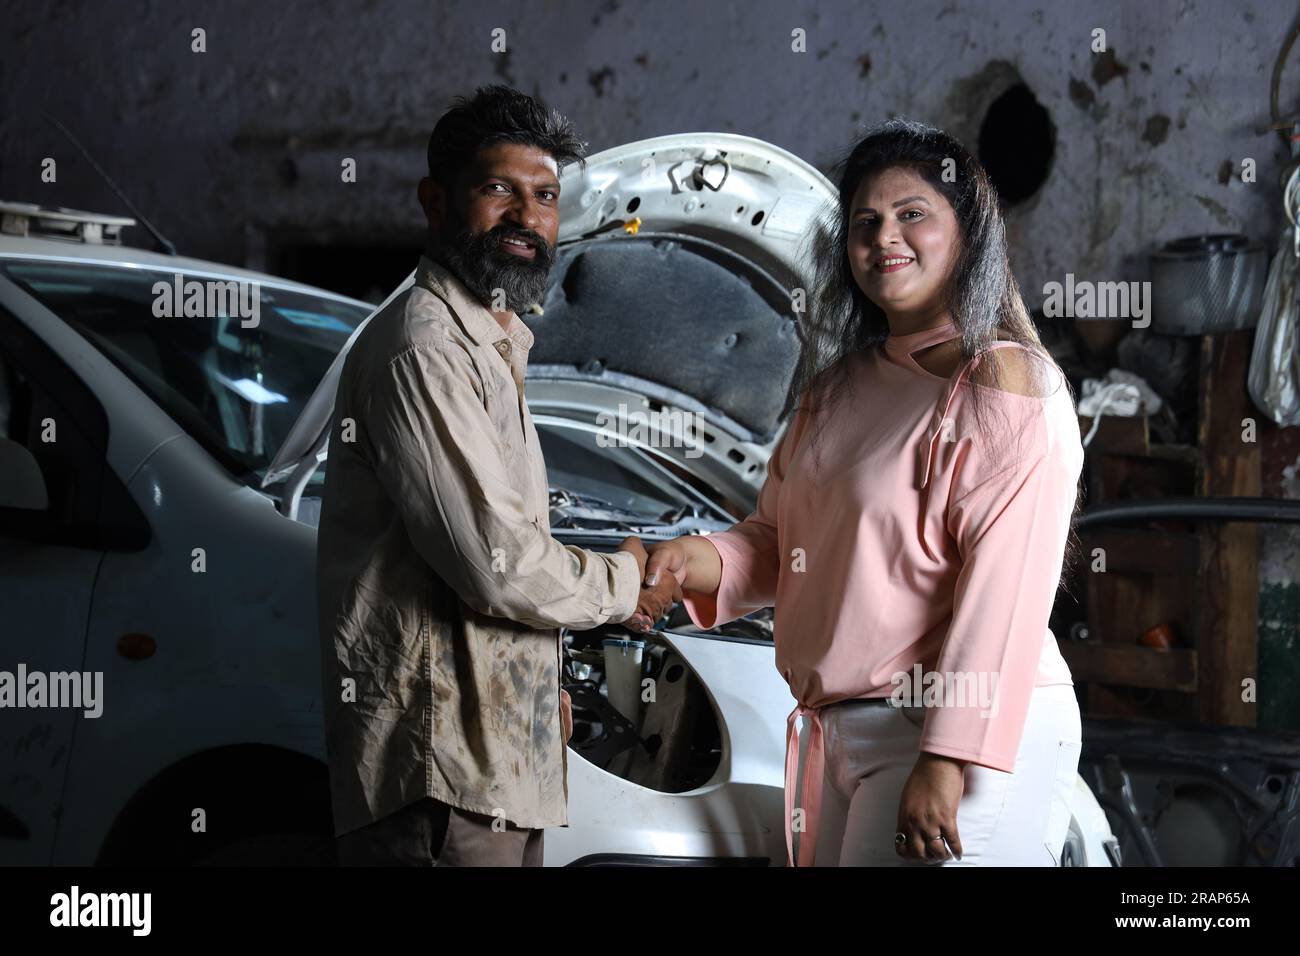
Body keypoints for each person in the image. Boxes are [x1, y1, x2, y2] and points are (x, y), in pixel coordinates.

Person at [641, 118, 1085, 867]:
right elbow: (778, 546)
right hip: (837, 732)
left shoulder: (1005, 383)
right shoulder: (835, 389)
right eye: (865, 222)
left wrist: (947, 760)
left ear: (969, 235)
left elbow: (1004, 593)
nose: (885, 237)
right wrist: (688, 559)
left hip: (951, 733)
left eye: (913, 214)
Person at [316, 85, 671, 867]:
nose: (526, 217)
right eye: (498, 189)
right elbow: (495, 564)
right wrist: (624, 579)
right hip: (441, 782)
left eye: (544, 196)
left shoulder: (490, 344)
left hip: (492, 770)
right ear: (435, 201)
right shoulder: (425, 349)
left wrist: (539, 688)